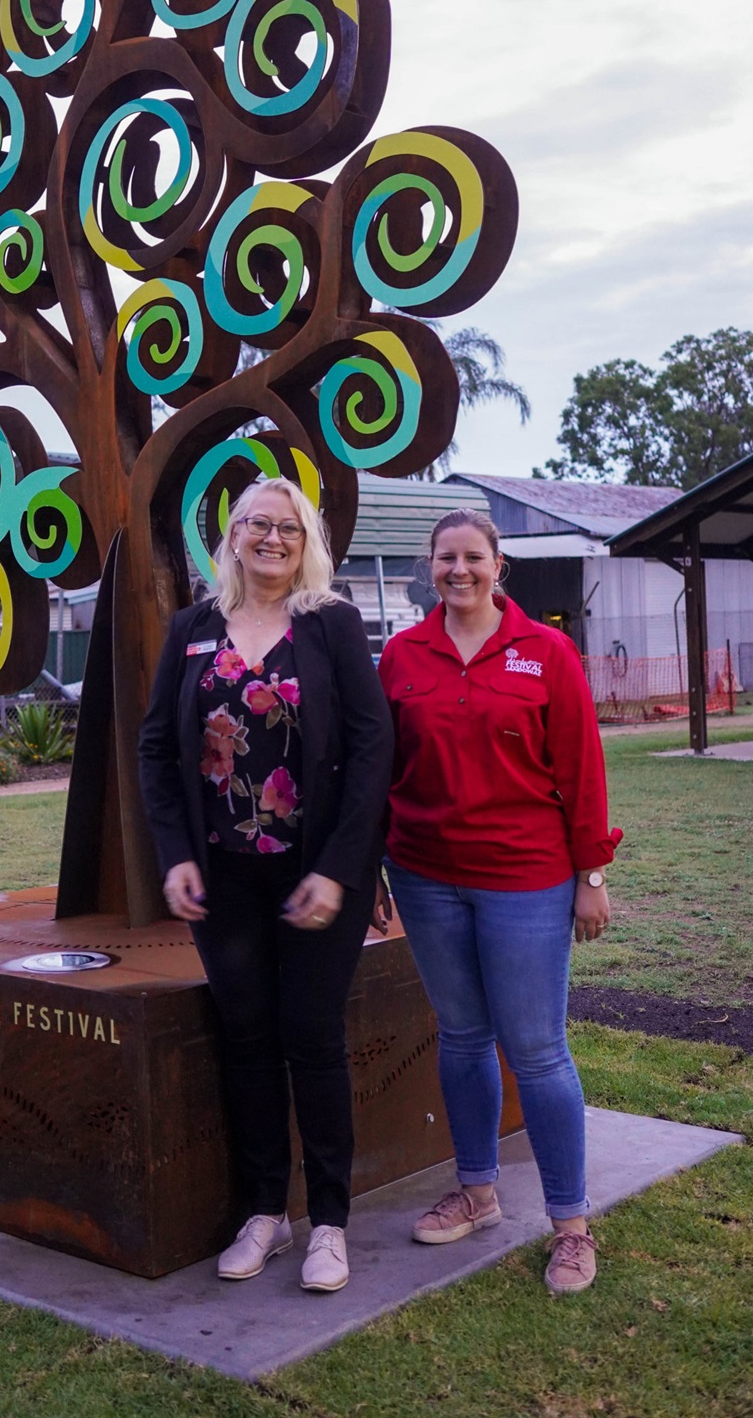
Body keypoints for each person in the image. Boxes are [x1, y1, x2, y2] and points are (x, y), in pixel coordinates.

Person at [138, 476, 392, 1293]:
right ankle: (263, 1215)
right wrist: (174, 852)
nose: (272, 539)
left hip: (316, 876)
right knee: (246, 1041)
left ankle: (328, 1223)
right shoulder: (192, 629)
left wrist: (337, 869)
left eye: (287, 527)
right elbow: (155, 750)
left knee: (310, 1037)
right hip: (224, 877)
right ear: (233, 535)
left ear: (305, 539)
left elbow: (373, 749)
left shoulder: (332, 626)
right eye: (257, 525)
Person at [377, 508, 614, 1295]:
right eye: (446, 558)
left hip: (526, 879)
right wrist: (373, 863)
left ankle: (571, 1226)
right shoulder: (404, 655)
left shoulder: (545, 652)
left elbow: (581, 769)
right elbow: (381, 765)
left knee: (538, 1049)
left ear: (497, 564)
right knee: (463, 1035)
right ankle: (477, 1190)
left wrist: (590, 875)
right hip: (424, 874)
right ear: (430, 566)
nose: (459, 570)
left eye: (473, 557)